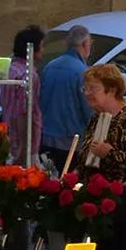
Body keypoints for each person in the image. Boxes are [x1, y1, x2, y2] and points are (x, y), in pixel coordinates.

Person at [74, 64, 126, 250]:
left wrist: (111, 154)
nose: (87, 94)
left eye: (93, 88)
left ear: (111, 90)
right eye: (86, 88)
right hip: (100, 202)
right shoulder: (97, 118)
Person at [39, 25, 94, 171]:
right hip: (71, 141)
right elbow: (88, 109)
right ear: (84, 44)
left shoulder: (49, 67)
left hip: (46, 138)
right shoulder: (82, 72)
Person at [0, 25, 45, 166]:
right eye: (42, 46)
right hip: (23, 142)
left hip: (8, 135)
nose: (44, 50)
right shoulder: (28, 75)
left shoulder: (9, 69)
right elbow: (24, 114)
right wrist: (24, 149)